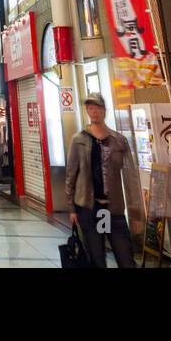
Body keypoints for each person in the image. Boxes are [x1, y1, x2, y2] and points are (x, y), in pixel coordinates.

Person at [63, 94, 143, 268]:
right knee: (97, 259)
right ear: (87, 111)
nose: (94, 111)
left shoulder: (118, 141)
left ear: (104, 110)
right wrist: (71, 208)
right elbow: (71, 175)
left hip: (112, 209)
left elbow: (131, 177)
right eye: (90, 108)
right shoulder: (79, 140)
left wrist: (136, 209)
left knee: (125, 259)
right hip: (89, 209)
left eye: (98, 107)